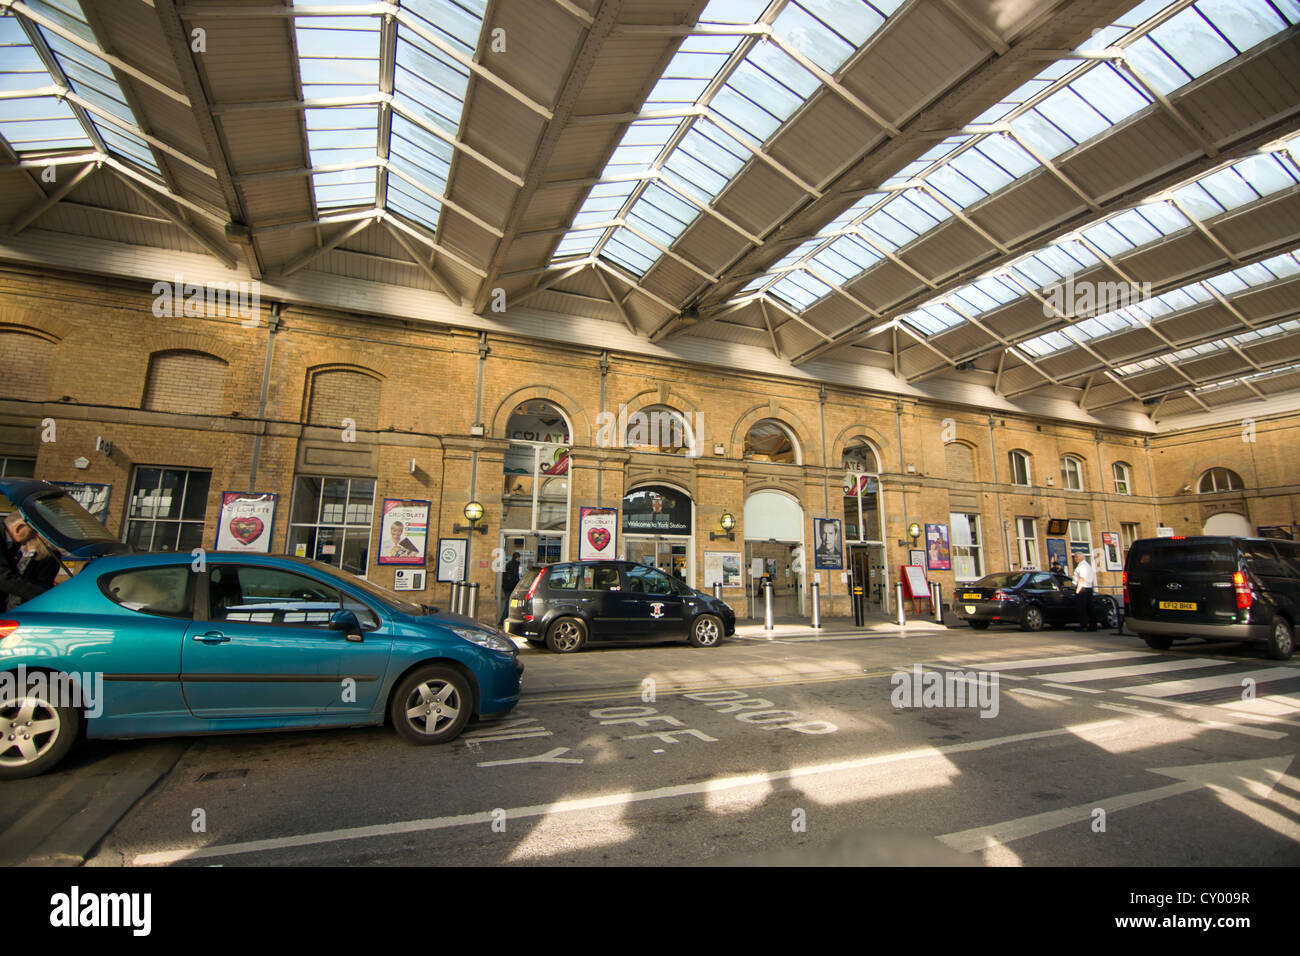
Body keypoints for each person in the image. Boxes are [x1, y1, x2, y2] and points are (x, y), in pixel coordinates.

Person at [0, 512, 58, 609]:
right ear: (19, 528)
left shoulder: (10, 545)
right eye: (34, 532)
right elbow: (3, 578)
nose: (34, 537)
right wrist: (45, 595)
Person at [1072, 552, 1097, 631]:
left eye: (1076, 557)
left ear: (1081, 558)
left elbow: (1082, 579)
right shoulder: (1088, 566)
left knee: (1082, 608)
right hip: (1089, 588)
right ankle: (1093, 626)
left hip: (1082, 589)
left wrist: (1077, 590)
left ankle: (1083, 625)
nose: (1075, 559)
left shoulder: (1082, 567)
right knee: (1089, 608)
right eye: (1074, 557)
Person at [497, 551, 520, 627]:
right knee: (508, 605)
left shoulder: (508, 564)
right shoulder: (515, 565)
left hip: (506, 587)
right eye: (518, 558)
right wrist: (519, 584)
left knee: (508, 603)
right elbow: (515, 576)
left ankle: (503, 620)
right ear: (517, 558)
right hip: (511, 587)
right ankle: (502, 621)